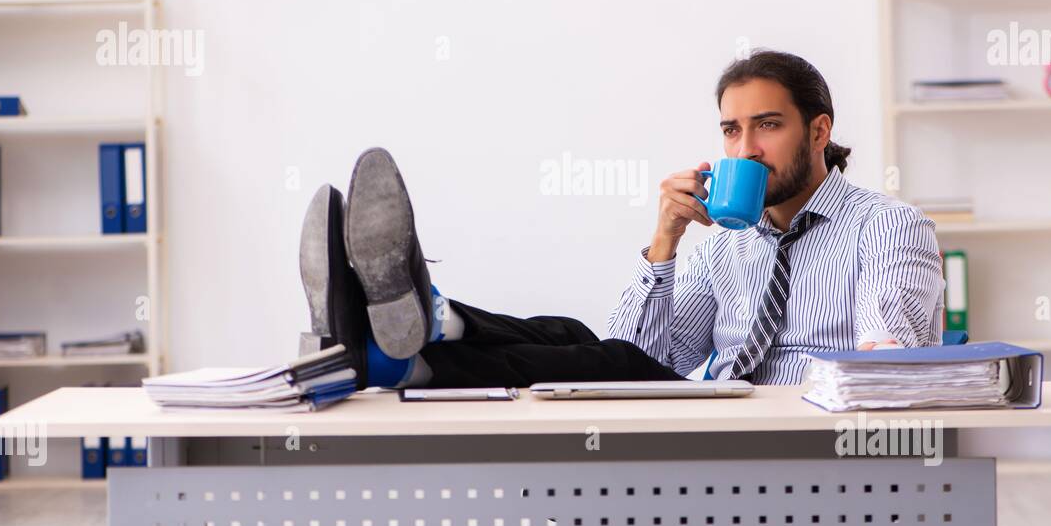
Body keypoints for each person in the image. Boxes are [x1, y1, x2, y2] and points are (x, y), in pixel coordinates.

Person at [298, 50, 944, 390]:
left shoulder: (887, 227)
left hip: (800, 425)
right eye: (731, 130)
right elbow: (648, 353)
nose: (745, 150)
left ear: (819, 130)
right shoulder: (727, 247)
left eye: (767, 126)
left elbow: (889, 368)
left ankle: (411, 342)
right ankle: (420, 340)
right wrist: (664, 242)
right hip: (724, 417)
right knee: (572, 335)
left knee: (606, 358)